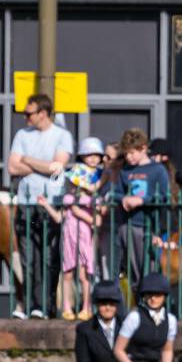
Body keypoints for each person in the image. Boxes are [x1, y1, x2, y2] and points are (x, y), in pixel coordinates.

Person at [7, 93, 73, 318]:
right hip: (26, 200)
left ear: (42, 113)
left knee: (48, 256)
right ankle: (28, 304)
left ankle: (45, 305)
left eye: (29, 113)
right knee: (27, 257)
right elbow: (12, 168)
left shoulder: (62, 136)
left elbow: (56, 167)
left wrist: (27, 160)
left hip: (51, 202)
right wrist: (41, 165)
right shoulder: (21, 135)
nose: (26, 117)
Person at [112, 128, 171, 285]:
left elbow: (165, 196)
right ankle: (139, 306)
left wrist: (142, 200)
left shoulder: (158, 170)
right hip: (128, 225)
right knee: (133, 273)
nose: (128, 157)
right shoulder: (125, 171)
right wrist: (124, 198)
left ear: (143, 148)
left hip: (148, 226)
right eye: (125, 154)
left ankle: (152, 304)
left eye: (132, 153)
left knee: (150, 269)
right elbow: (116, 193)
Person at [57, 137, 104, 320]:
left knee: (86, 272)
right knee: (68, 270)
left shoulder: (101, 174)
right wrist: (87, 205)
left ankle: (86, 307)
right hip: (72, 228)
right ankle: (67, 307)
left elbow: (99, 199)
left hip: (88, 231)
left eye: (96, 155)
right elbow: (69, 200)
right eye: (88, 154)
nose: (92, 158)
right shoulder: (75, 172)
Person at [115, 272, 177, 362]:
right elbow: (118, 350)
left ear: (165, 296)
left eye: (158, 295)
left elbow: (167, 350)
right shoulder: (134, 317)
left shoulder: (171, 320)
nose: (153, 298)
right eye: (149, 294)